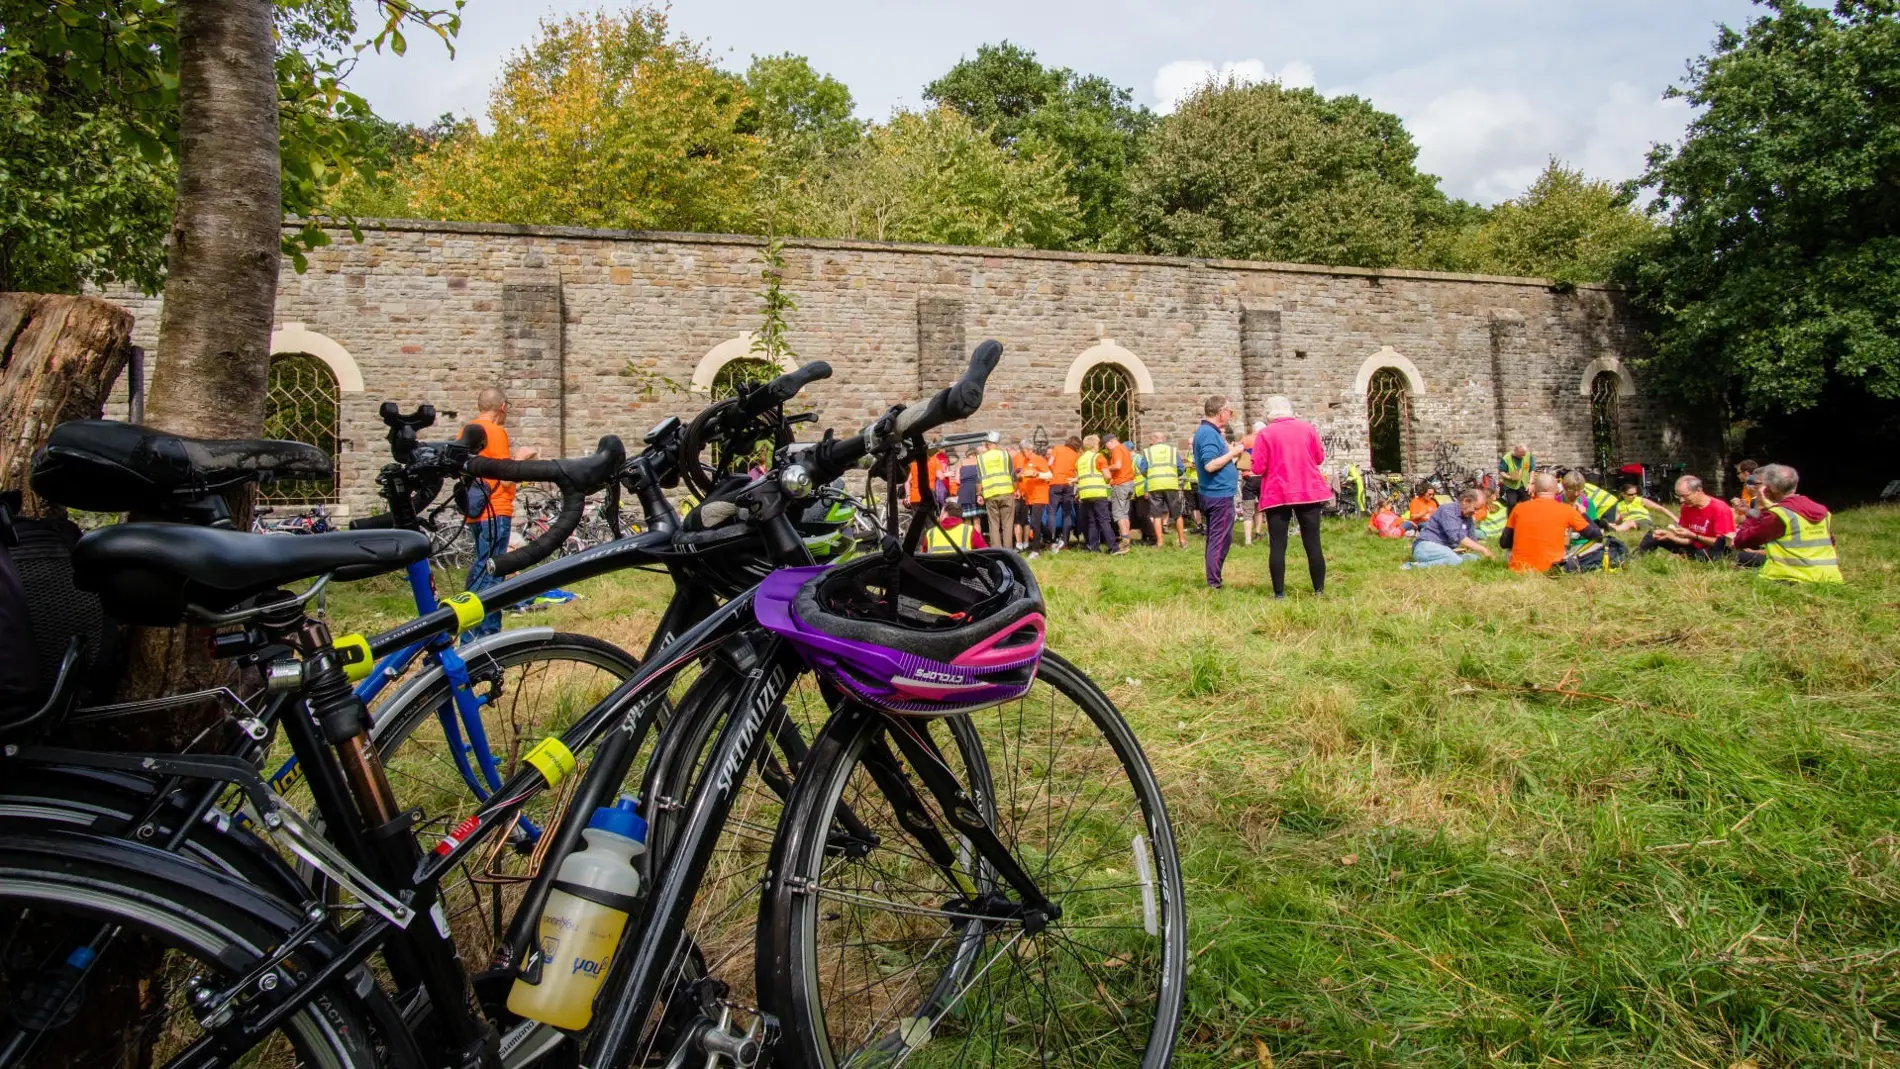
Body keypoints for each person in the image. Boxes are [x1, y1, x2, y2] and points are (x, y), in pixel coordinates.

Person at [462, 386, 538, 638]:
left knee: (480, 568)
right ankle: (486, 635)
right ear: (502, 406)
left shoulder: (466, 430)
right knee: (494, 571)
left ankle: (469, 630)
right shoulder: (495, 432)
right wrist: (521, 458)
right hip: (495, 510)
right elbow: (505, 479)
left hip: (475, 511)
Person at [1251, 397, 1330, 598]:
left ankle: (1279, 593)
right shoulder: (1307, 428)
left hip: (1277, 492)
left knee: (1278, 544)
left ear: (1268, 413)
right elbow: (1319, 458)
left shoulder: (1265, 433)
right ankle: (1319, 590)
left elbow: (1258, 467)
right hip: (1308, 490)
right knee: (1313, 542)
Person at [1732, 463, 1843, 582]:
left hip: (1792, 578)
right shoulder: (1822, 510)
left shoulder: (1779, 515)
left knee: (1732, 557)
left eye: (1758, 484)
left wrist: (1757, 508)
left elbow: (1740, 540)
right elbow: (1830, 542)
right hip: (1829, 577)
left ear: (1768, 489)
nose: (1754, 488)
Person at [1192, 397, 1247, 589]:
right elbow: (1210, 465)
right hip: (1218, 495)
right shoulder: (1208, 433)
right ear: (1221, 412)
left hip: (1216, 493)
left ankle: (1214, 579)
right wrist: (1233, 453)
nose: (1231, 415)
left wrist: (1231, 454)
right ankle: (1214, 583)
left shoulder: (1208, 431)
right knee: (1219, 540)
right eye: (1230, 412)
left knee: (1218, 538)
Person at [1500, 473, 1596, 573]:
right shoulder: (1566, 509)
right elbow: (1596, 535)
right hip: (1553, 567)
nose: (1575, 494)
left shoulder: (1518, 508)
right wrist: (1584, 514)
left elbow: (1504, 543)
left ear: (1535, 489)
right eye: (1571, 491)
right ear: (1557, 490)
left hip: (1520, 569)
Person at [1639, 475, 1735, 560]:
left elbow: (1722, 544)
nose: (1681, 500)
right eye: (1679, 496)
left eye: (1685, 496)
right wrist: (1670, 535)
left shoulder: (1720, 509)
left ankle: (1686, 556)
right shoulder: (1686, 507)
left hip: (1713, 550)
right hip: (1692, 545)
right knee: (1654, 534)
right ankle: (1633, 560)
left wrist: (1694, 536)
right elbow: (1687, 539)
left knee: (1703, 553)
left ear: (1698, 491)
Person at [1405, 488, 1496, 567]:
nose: (1475, 512)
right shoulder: (1447, 510)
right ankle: (1412, 566)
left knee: (1474, 558)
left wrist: (1484, 554)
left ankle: (1450, 558)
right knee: (1454, 560)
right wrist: (1483, 550)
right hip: (1425, 546)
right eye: (1475, 509)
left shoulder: (1468, 517)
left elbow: (1472, 539)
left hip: (1444, 549)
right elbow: (1457, 536)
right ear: (1466, 501)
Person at [1143, 432, 1188, 548]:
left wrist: (1151, 475)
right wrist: (1173, 475)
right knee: (1177, 513)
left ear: (1153, 440)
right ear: (1163, 439)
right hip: (1171, 484)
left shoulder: (1147, 452)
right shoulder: (1172, 450)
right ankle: (1182, 540)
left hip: (1155, 485)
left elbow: (1143, 469)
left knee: (1156, 515)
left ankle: (1159, 542)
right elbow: (1181, 469)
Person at [1075, 434, 1118, 553]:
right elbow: (1107, 476)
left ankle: (1093, 547)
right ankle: (1113, 547)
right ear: (1095, 445)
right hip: (1098, 492)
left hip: (1085, 494)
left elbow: (1079, 477)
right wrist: (1107, 482)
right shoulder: (1098, 457)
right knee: (1104, 520)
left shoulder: (1080, 460)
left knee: (1092, 521)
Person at [976, 437, 1015, 551]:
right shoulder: (1005, 455)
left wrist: (979, 494)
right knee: (1008, 524)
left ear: (987, 445)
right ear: (996, 444)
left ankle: (997, 551)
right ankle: (1008, 551)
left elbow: (979, 479)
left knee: (993, 525)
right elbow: (1013, 475)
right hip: (1006, 492)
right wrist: (1017, 490)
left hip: (990, 494)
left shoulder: (981, 458)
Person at [1012, 439, 1046, 551]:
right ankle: (1022, 543)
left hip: (1029, 493)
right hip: (1023, 492)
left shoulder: (1034, 459)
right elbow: (1016, 476)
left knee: (1025, 520)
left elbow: (1048, 475)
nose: (1023, 453)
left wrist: (1035, 474)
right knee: (1023, 519)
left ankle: (1025, 544)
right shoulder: (1018, 458)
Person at [1047, 436, 1080, 551]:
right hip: (1069, 483)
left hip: (1056, 482)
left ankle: (1051, 541)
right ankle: (1065, 543)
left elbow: (1049, 463)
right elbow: (1077, 470)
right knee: (1067, 514)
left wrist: (1055, 472)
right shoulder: (1076, 455)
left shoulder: (1057, 448)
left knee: (1052, 512)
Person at [1104, 433, 1137, 548]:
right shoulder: (1124, 449)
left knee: (1118, 513)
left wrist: (1105, 468)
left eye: (1106, 445)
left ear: (1111, 442)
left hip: (1120, 484)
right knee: (1124, 512)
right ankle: (1127, 537)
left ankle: (1124, 539)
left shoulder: (1116, 449)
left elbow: (1117, 466)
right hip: (1129, 484)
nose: (1107, 448)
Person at [1238, 422, 1264, 546]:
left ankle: (1248, 540)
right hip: (1263, 477)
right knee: (1261, 507)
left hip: (1249, 477)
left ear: (1253, 429)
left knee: (1248, 511)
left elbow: (1237, 452)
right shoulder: (1266, 439)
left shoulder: (1246, 439)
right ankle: (1258, 533)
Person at [923, 510, 988, 554]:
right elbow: (985, 552)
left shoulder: (930, 533)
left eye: (941, 513)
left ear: (945, 514)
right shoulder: (969, 530)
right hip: (963, 569)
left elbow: (923, 556)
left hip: (934, 570)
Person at [1498, 444, 1535, 509]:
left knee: (1528, 503)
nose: (1523, 456)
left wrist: (1530, 483)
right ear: (1516, 451)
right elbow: (1501, 472)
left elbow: (1532, 469)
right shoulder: (1506, 458)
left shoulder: (1528, 455)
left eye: (1524, 454)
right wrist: (1510, 477)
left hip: (1524, 484)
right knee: (1512, 504)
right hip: (1511, 486)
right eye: (1521, 454)